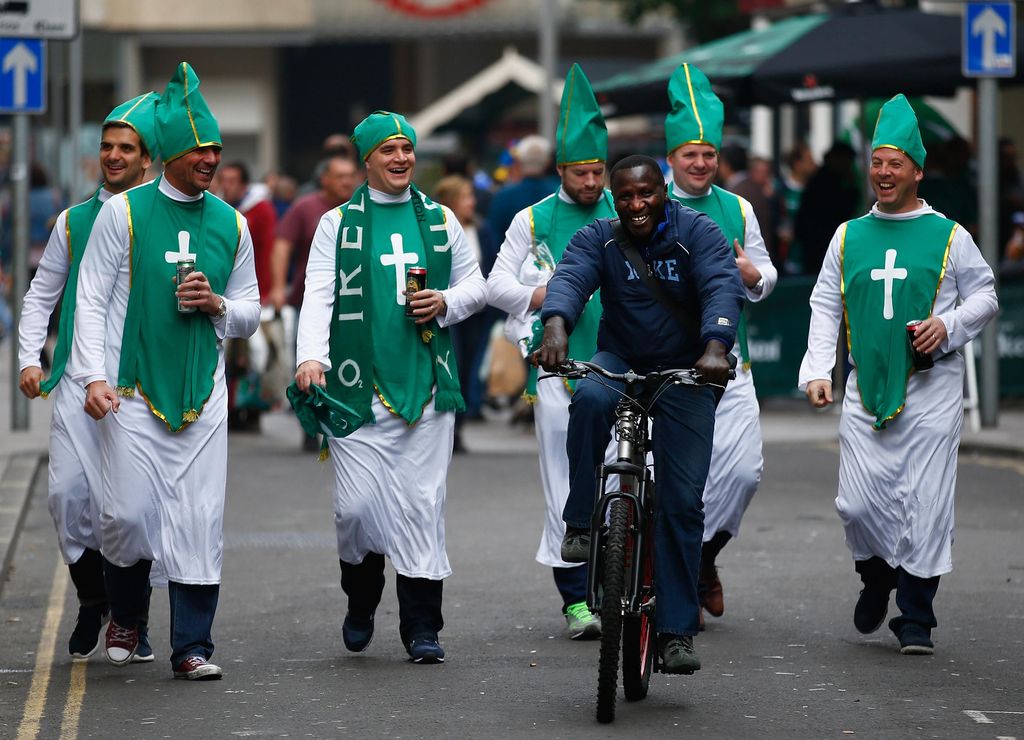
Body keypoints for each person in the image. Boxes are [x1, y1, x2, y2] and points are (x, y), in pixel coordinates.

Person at [70, 62, 261, 680]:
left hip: (201, 396)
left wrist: (219, 306)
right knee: (124, 516)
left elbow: (251, 311)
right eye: (199, 150)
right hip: (130, 393)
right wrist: (91, 378)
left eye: (215, 150)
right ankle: (125, 611)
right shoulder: (122, 214)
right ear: (172, 152)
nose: (210, 160)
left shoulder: (232, 223)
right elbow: (91, 300)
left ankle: (192, 645)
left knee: (199, 519)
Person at [799, 94, 998, 655]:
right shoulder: (847, 236)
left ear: (917, 170)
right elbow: (824, 305)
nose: (884, 173)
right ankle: (876, 576)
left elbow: (985, 295)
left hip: (932, 386)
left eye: (896, 164)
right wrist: (819, 370)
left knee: (926, 499)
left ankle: (916, 614)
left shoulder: (950, 236)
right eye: (877, 162)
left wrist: (949, 323)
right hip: (866, 386)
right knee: (857, 504)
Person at [291, 111, 487, 664]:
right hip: (358, 389)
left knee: (422, 506)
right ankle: (362, 598)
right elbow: (319, 296)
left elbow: (478, 284)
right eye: (389, 151)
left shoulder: (441, 220)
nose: (401, 159)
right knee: (356, 511)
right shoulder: (337, 224)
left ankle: (422, 625)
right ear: (367, 160)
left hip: (426, 386)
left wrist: (447, 301)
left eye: (407, 149)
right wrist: (311, 357)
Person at [538, 154, 744, 673]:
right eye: (625, 196)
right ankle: (582, 518)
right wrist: (556, 325)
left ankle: (676, 633)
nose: (635, 205)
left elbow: (722, 283)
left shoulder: (697, 232)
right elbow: (570, 279)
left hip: (688, 372)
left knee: (681, 503)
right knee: (587, 397)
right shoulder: (598, 237)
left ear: (663, 191)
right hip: (621, 361)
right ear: (614, 196)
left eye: (645, 194)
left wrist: (716, 344)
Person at [18, 92, 161, 663]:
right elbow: (39, 297)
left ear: (147, 160)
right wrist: (31, 358)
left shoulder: (159, 219)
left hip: (139, 386)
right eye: (107, 146)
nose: (114, 155)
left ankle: (133, 618)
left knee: (130, 509)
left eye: (127, 147)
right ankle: (92, 599)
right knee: (65, 498)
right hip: (79, 382)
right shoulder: (72, 222)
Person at [487, 63, 617, 639]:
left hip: (626, 364)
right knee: (566, 481)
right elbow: (496, 286)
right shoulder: (531, 219)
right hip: (557, 368)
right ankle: (575, 599)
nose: (590, 183)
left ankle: (626, 580)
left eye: (597, 172)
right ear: (560, 169)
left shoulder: (629, 209)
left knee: (626, 480)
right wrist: (543, 293)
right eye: (579, 173)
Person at [663, 64, 778, 627]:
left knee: (743, 475)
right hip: (664, 366)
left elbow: (768, 275)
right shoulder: (643, 202)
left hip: (731, 366)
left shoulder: (739, 209)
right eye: (691, 154)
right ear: (672, 157)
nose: (702, 163)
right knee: (674, 486)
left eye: (709, 154)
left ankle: (704, 557)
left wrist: (750, 273)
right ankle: (677, 577)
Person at [433, 174, 499, 450]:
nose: (473, 203)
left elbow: (492, 263)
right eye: (466, 197)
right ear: (451, 202)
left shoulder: (481, 230)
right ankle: (446, 424)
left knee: (470, 364)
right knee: (454, 365)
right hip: (444, 308)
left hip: (476, 312)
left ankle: (458, 427)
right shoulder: (437, 228)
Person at [218, 162, 280, 430]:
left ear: (244, 184)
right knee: (230, 353)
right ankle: (231, 408)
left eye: (233, 180)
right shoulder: (219, 210)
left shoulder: (261, 210)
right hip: (224, 290)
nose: (227, 185)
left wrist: (270, 288)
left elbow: (270, 249)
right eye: (225, 180)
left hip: (256, 289)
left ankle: (253, 410)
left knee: (257, 355)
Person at [796, 141, 860, 276]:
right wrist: (852, 187)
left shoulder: (822, 179)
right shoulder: (827, 182)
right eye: (847, 161)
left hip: (817, 245)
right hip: (821, 246)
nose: (849, 165)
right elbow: (841, 210)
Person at [486, 134, 558, 242]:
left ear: (519, 161)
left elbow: (494, 237)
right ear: (548, 162)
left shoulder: (503, 197)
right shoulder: (558, 192)